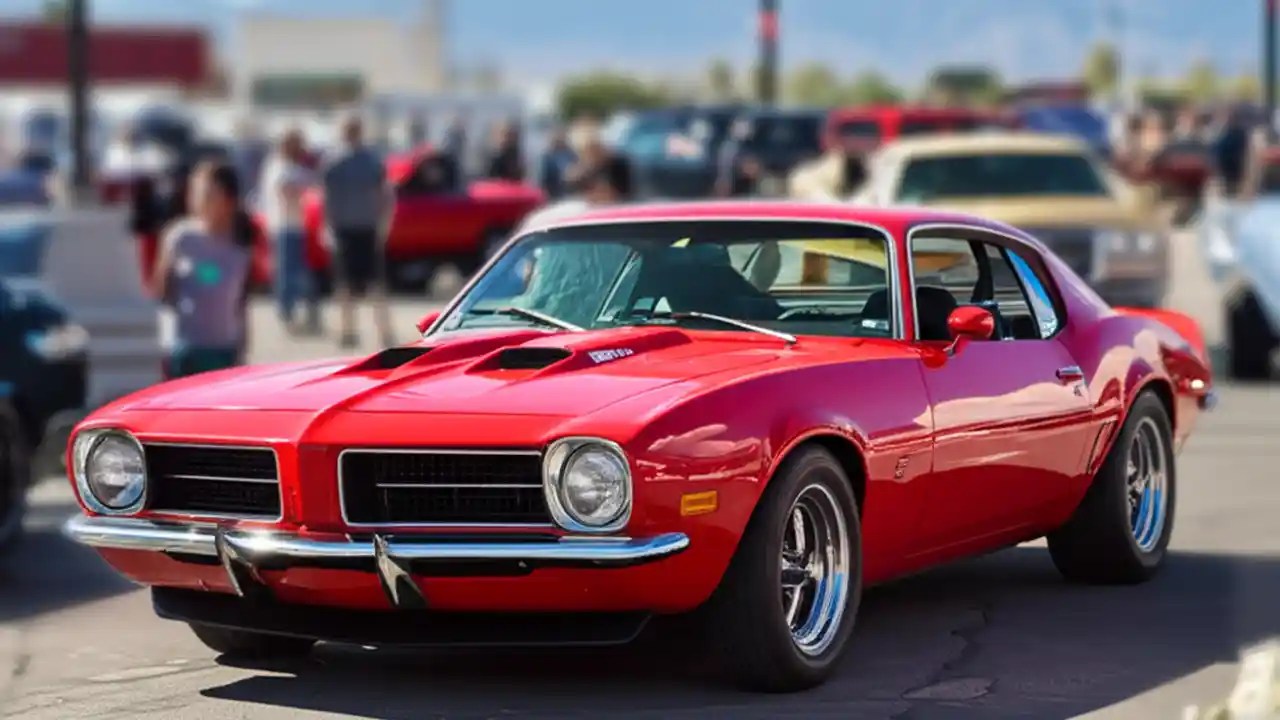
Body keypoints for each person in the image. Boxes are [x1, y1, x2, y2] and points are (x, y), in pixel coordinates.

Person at [151, 161, 255, 379]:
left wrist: (243, 350)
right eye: (196, 192)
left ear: (228, 200)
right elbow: (160, 291)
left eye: (207, 193)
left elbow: (242, 303)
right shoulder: (180, 237)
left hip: (224, 350)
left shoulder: (240, 246)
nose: (198, 199)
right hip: (184, 348)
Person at [321, 116, 395, 349]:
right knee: (371, 284)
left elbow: (326, 199)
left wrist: (327, 226)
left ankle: (349, 332)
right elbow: (385, 195)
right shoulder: (370, 160)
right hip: (364, 226)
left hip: (348, 227)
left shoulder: (334, 161)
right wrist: (384, 223)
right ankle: (381, 332)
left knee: (348, 285)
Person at [260, 128, 320, 334]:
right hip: (284, 225)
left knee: (295, 270)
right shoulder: (280, 166)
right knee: (288, 273)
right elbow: (285, 189)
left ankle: (299, 312)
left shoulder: (293, 166)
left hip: (294, 225)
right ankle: (287, 314)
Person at [1210, 107, 1251, 198]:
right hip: (1228, 169)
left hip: (1233, 169)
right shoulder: (1222, 132)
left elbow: (1216, 150)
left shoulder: (1237, 133)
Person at [715, 117, 760, 197]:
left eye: (745, 127)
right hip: (731, 186)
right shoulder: (728, 147)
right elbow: (725, 169)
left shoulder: (752, 146)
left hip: (748, 189)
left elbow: (754, 169)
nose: (743, 131)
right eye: (740, 127)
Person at [537, 125, 577, 200]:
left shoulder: (571, 154)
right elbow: (544, 179)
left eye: (561, 135)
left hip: (569, 193)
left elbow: (576, 168)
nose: (560, 138)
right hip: (554, 194)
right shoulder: (548, 156)